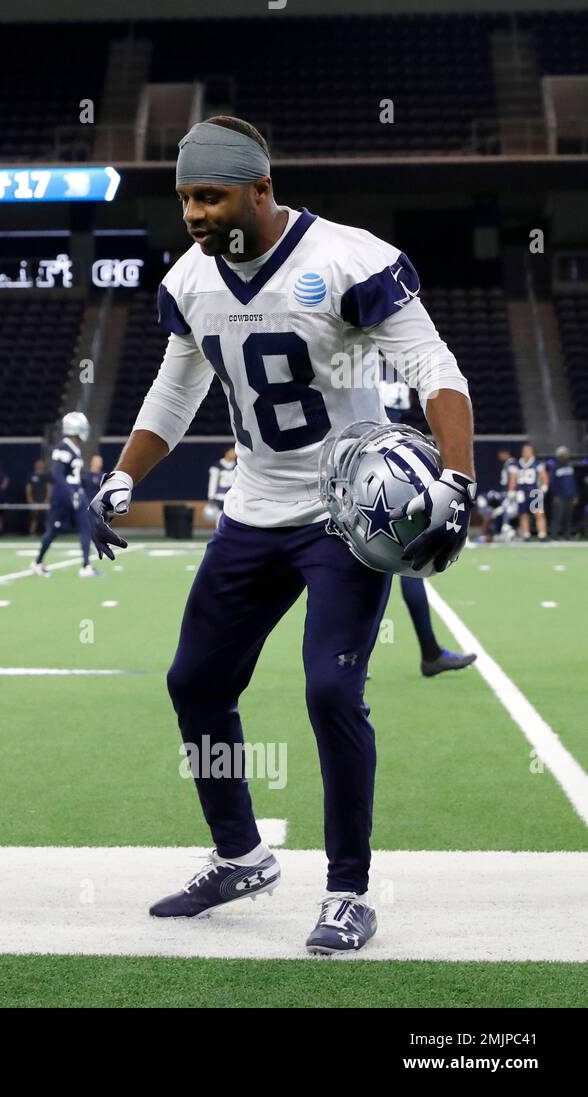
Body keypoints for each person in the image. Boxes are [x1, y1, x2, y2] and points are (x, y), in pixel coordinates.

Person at [88, 116, 474, 954]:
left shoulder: (346, 258)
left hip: (347, 512)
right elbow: (174, 392)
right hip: (254, 508)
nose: (194, 212)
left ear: (261, 189)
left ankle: (348, 890)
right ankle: (240, 852)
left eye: (211, 195)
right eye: (186, 196)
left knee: (331, 692)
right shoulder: (191, 279)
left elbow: (435, 369)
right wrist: (124, 474)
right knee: (194, 682)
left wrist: (458, 475)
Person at [379, 368, 475, 677]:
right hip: (379, 471)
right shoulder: (372, 369)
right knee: (397, 566)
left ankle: (428, 652)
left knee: (402, 565)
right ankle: (426, 653)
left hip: (376, 469)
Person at [32, 411, 95, 577]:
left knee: (86, 527)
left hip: (76, 493)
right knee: (54, 530)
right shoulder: (63, 447)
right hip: (63, 495)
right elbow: (57, 473)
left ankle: (86, 566)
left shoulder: (75, 448)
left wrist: (78, 490)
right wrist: (70, 492)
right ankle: (38, 562)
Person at [507, 442, 548, 542]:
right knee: (523, 514)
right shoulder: (516, 464)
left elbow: (544, 476)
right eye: (524, 450)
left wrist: (544, 486)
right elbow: (513, 479)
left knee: (538, 513)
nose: (526, 452)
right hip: (521, 491)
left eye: (528, 450)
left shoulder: (537, 463)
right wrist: (511, 491)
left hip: (535, 491)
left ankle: (542, 535)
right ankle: (526, 534)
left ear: (532, 452)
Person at [546, 445, 577, 539]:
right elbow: (552, 482)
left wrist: (575, 495)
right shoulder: (554, 466)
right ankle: (554, 535)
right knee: (557, 517)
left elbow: (573, 481)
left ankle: (567, 535)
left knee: (568, 517)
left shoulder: (570, 465)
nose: (566, 455)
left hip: (570, 495)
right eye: (564, 453)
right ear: (559, 455)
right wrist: (555, 495)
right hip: (559, 496)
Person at [204, 445, 236, 526]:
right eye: (232, 451)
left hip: (233, 495)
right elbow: (213, 482)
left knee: (233, 516)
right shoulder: (217, 465)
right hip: (220, 495)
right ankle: (219, 532)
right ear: (227, 453)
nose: (234, 453)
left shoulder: (237, 465)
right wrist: (211, 496)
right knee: (220, 516)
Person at [25, 458, 49, 536]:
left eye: (41, 463)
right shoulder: (31, 475)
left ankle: (48, 534)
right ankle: (32, 534)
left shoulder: (46, 476)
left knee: (46, 518)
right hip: (34, 500)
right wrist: (30, 498)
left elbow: (49, 488)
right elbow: (28, 487)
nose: (39, 465)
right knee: (34, 518)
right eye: (38, 464)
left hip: (44, 500)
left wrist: (47, 499)